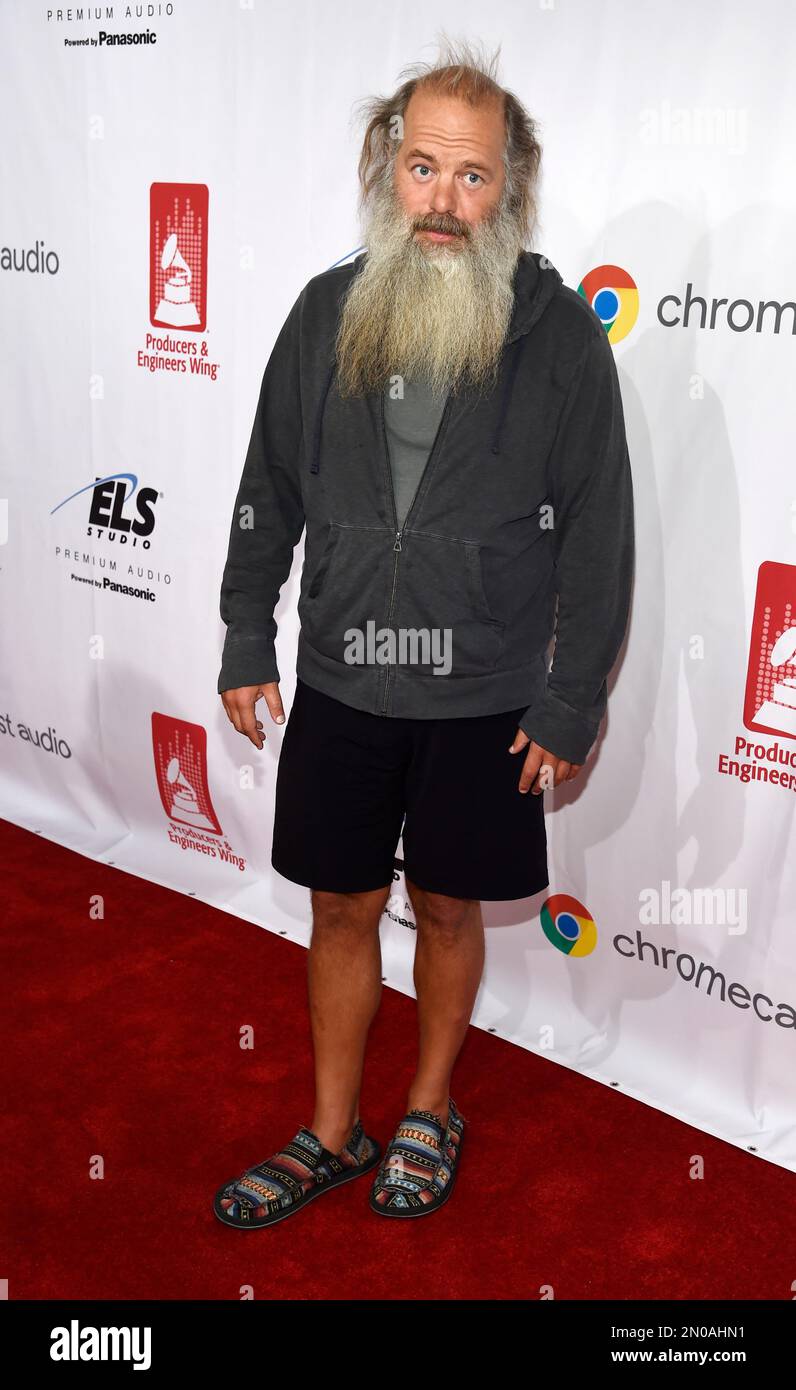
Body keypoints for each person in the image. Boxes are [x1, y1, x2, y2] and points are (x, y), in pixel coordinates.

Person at [212, 38, 635, 1228]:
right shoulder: (324, 313)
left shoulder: (558, 342)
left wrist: (566, 704)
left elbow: (600, 535)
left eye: (474, 176)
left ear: (511, 188)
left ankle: (428, 1105)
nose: (443, 202)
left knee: (448, 907)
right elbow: (266, 487)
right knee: (339, 905)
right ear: (385, 169)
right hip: (345, 680)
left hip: (484, 693)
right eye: (422, 168)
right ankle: (332, 1131)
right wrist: (248, 630)